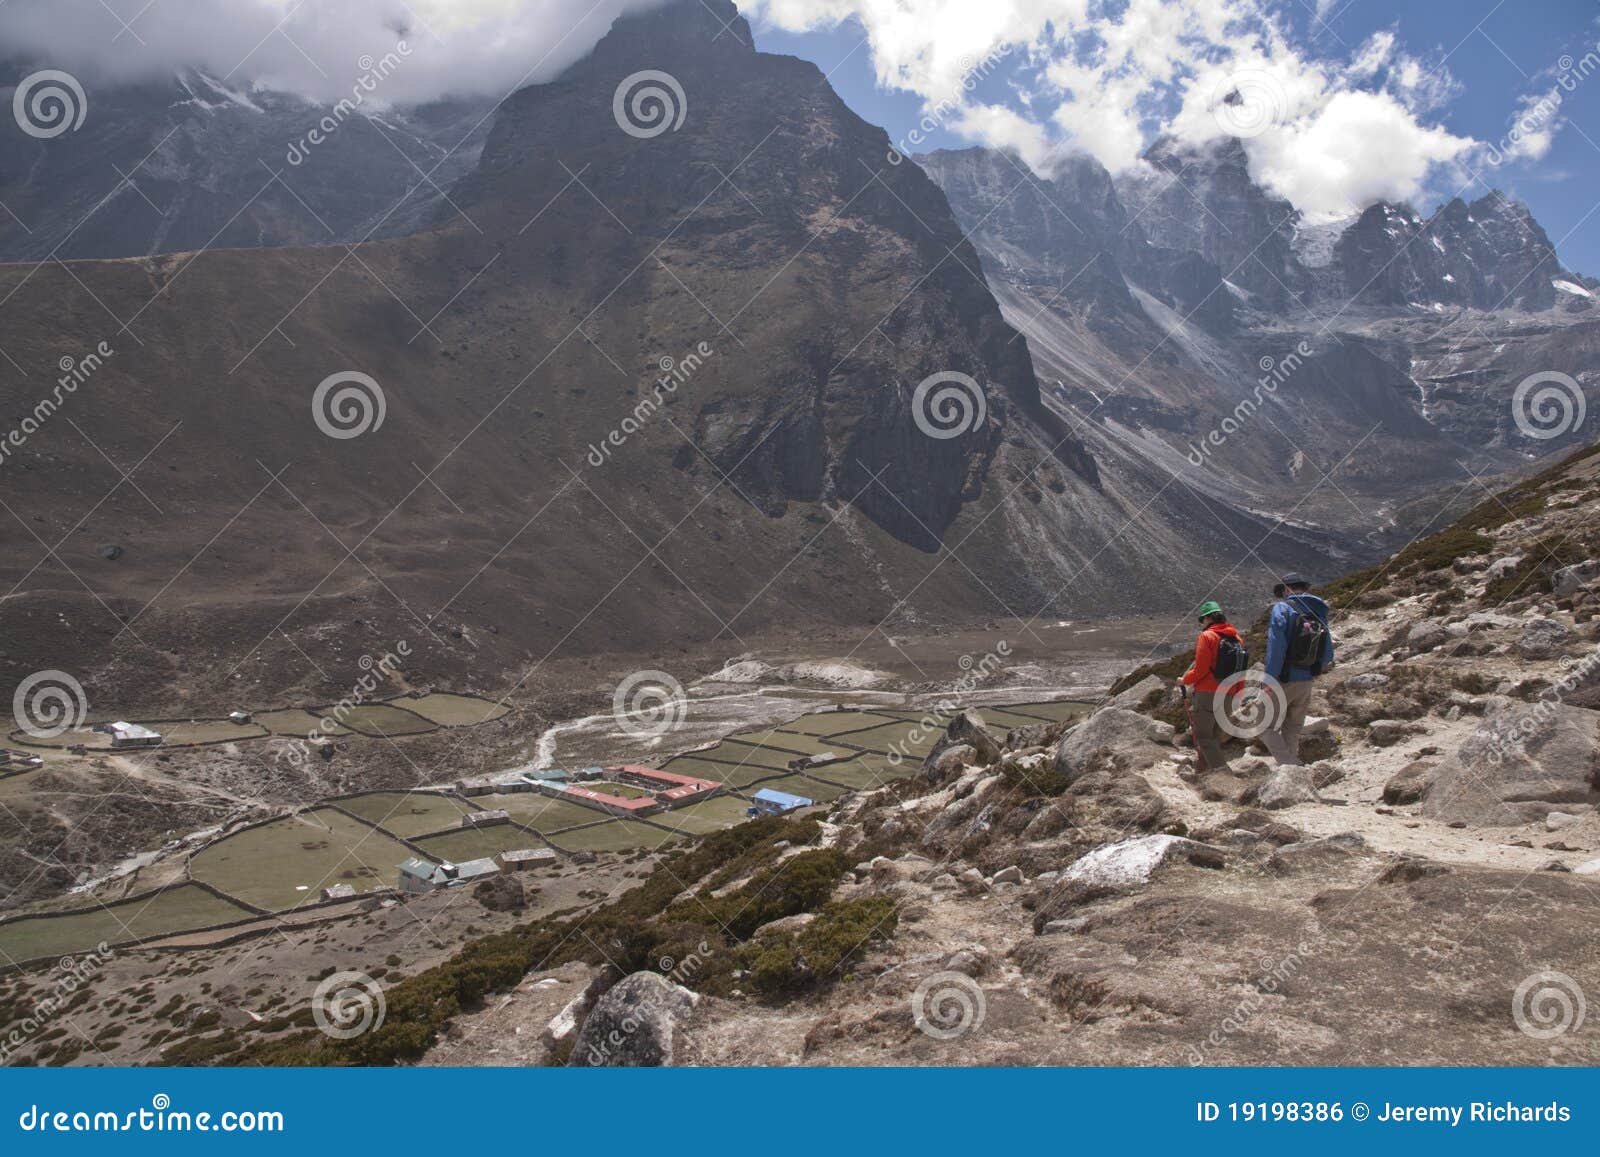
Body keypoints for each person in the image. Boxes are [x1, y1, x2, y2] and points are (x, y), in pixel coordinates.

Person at [1260, 572, 1334, 765]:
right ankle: (1292, 771)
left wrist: (1270, 679)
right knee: (1292, 727)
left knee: (1263, 725)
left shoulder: (1282, 608)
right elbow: (1328, 652)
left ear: (1286, 590)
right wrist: (1313, 669)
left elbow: (1276, 647)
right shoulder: (1319, 611)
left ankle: (1289, 764)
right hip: (1306, 679)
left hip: (1284, 678)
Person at [1179, 600, 1246, 774]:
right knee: (1215, 736)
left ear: (1208, 618)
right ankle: (1204, 771)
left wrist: (1185, 680)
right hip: (1229, 692)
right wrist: (1238, 693)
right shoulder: (1237, 638)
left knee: (1203, 736)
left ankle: (1222, 774)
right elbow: (1241, 670)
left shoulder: (1207, 636)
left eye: (1202, 619)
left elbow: (1201, 669)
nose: (1202, 623)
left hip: (1208, 693)